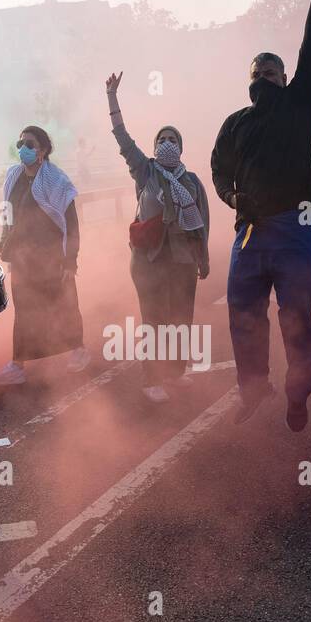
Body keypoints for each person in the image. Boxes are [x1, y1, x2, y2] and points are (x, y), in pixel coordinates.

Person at [210, 0, 311, 432]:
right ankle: (254, 386)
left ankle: (298, 391)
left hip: (295, 226)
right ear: (250, 78)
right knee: (243, 313)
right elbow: (219, 168)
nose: (266, 74)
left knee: (296, 318)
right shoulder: (235, 122)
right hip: (248, 231)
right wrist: (230, 196)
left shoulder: (299, 102)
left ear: (287, 78)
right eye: (259, 69)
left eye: (274, 69)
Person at [105, 71, 211, 402]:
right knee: (154, 319)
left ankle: (175, 373)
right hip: (149, 259)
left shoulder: (192, 181)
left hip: (182, 260)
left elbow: (202, 223)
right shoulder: (145, 171)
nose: (166, 144)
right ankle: (151, 378)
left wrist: (203, 258)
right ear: (153, 148)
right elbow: (122, 138)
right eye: (161, 140)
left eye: (172, 140)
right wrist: (112, 97)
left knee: (180, 317)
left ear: (181, 147)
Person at [0, 126, 91, 385]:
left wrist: (71, 260)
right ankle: (17, 365)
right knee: (24, 310)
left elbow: (71, 223)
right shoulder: (13, 176)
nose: (23, 147)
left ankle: (78, 350)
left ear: (43, 150)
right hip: (23, 258)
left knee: (64, 303)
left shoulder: (57, 181)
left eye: (30, 143)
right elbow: (7, 212)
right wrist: (4, 240)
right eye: (20, 142)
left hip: (53, 257)